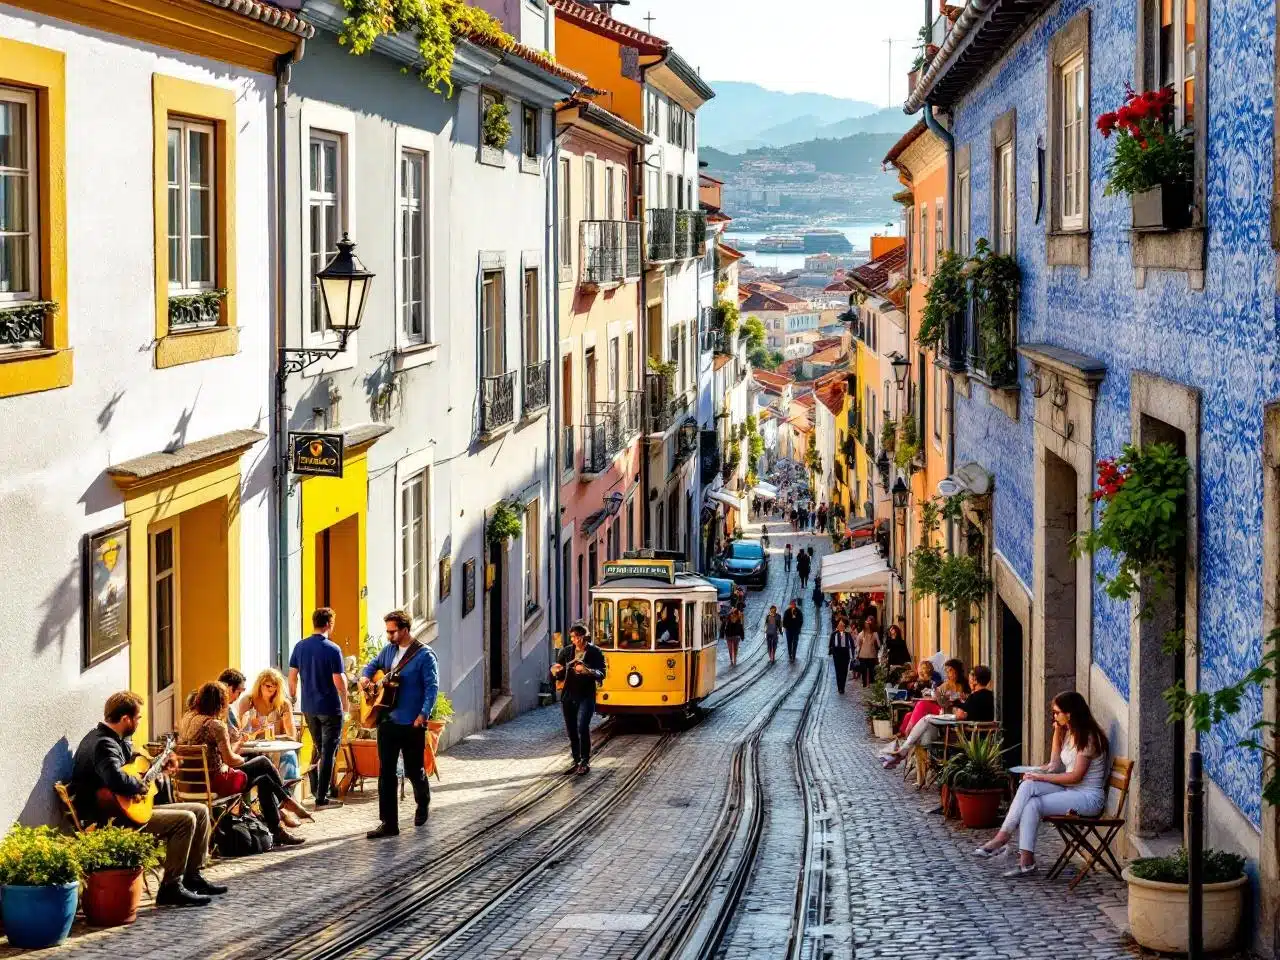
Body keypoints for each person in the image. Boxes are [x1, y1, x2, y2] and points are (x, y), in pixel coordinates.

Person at [72, 692, 226, 908]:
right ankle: (171, 887)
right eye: (138, 718)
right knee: (186, 819)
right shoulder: (103, 744)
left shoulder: (116, 740)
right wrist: (139, 786)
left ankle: (193, 877)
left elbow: (132, 767)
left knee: (200, 811)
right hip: (113, 820)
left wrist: (159, 765)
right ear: (126, 719)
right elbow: (116, 778)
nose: (139, 722)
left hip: (123, 811)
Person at [974, 690, 1110, 877]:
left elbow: (1075, 777)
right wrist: (1056, 733)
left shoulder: (1088, 738)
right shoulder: (1071, 733)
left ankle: (1011, 847)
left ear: (1069, 713)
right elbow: (1054, 765)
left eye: (1057, 712)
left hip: (1088, 798)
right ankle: (1013, 847)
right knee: (1028, 787)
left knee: (1033, 802)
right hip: (1072, 791)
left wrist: (1041, 777)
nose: (1054, 716)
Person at [178, 682, 308, 846]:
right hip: (215, 784)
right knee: (262, 762)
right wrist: (242, 761)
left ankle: (281, 820)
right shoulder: (215, 725)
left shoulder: (187, 720)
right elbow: (230, 760)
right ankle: (285, 803)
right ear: (220, 703)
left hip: (189, 785)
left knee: (265, 779)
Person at [360, 610, 440, 838]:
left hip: (412, 721)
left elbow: (432, 687)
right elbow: (371, 665)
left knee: (414, 770)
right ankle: (389, 824)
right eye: (387, 631)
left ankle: (422, 801)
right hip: (387, 719)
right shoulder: (388, 651)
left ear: (405, 629)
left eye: (392, 631)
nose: (389, 636)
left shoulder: (424, 655)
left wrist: (424, 713)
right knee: (386, 772)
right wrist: (366, 678)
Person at [288, 607, 350, 810]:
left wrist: (295, 696)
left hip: (309, 707)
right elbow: (338, 679)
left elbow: (292, 676)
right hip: (330, 707)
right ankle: (322, 798)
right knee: (328, 752)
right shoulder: (333, 649)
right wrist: (345, 700)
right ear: (329, 624)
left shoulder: (300, 647)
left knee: (318, 747)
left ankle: (316, 789)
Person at [882, 665, 994, 768]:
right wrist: (959, 704)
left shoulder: (975, 696)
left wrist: (957, 707)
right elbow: (969, 710)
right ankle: (909, 755)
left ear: (975, 680)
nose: (969, 679)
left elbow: (961, 715)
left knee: (926, 718)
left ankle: (904, 751)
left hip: (964, 728)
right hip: (975, 729)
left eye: (971, 677)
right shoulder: (990, 695)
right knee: (928, 726)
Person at [237, 668, 301, 816]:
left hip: (277, 747)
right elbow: (240, 732)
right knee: (256, 762)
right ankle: (277, 808)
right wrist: (254, 729)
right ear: (260, 685)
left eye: (275, 685)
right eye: (267, 685)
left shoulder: (283, 704)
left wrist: (274, 737)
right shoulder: (248, 701)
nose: (271, 688)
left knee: (290, 757)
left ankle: (279, 806)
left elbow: (291, 735)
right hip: (252, 748)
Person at [551, 622, 607, 774]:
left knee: (583, 727)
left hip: (586, 695)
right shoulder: (566, 652)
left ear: (584, 637)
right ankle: (576, 761)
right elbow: (559, 673)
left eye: (577, 637)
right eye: (572, 637)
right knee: (572, 731)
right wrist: (556, 670)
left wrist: (588, 671)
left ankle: (585, 761)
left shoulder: (595, 652)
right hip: (568, 695)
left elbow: (602, 673)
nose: (574, 640)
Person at [828, 618, 853, 694]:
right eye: (840, 625)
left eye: (842, 625)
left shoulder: (848, 634)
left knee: (844, 671)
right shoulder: (834, 634)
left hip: (845, 654)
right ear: (837, 626)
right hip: (837, 654)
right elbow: (830, 645)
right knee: (838, 671)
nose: (841, 627)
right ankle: (839, 688)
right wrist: (832, 652)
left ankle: (843, 687)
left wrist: (852, 654)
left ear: (844, 626)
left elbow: (852, 644)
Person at [855, 615, 880, 687]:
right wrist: (857, 654)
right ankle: (865, 682)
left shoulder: (874, 634)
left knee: (870, 670)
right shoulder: (861, 634)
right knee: (864, 670)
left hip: (871, 655)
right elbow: (858, 645)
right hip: (863, 655)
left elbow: (878, 644)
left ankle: (868, 682)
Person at [782, 599, 804, 663]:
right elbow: (784, 621)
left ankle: (793, 656)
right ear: (790, 605)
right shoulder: (787, 611)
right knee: (789, 642)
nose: (793, 605)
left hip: (796, 630)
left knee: (795, 643)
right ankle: (790, 654)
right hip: (789, 630)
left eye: (794, 604)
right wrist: (786, 626)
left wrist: (798, 627)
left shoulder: (798, 611)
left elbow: (801, 620)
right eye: (792, 604)